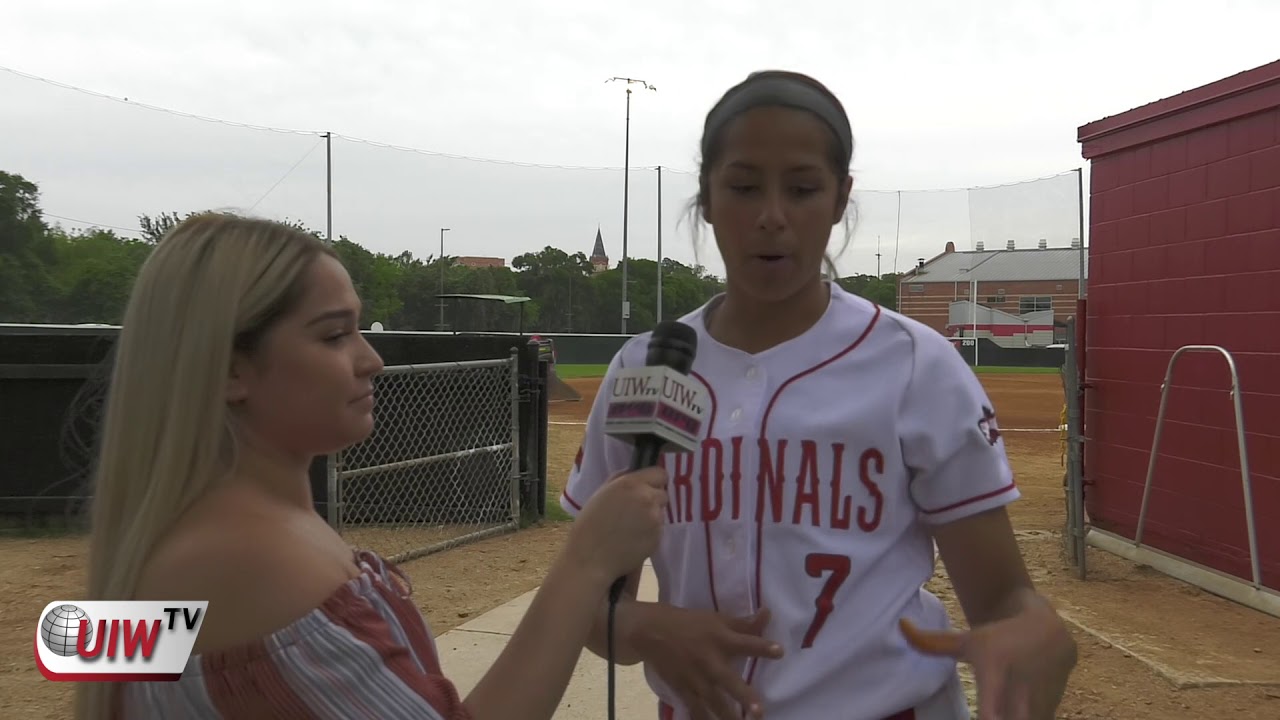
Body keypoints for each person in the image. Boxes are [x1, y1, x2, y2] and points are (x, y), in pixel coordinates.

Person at [561, 70, 1078, 720]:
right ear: (709, 197)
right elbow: (590, 602)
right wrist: (641, 627)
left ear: (840, 199)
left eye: (803, 189)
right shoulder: (645, 370)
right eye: (744, 187)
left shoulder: (916, 365)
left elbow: (1004, 599)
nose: (772, 216)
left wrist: (1031, 627)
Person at [73, 212, 670, 720]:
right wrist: (586, 562)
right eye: (334, 336)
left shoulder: (217, 534)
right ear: (231, 370)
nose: (372, 360)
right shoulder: (244, 562)